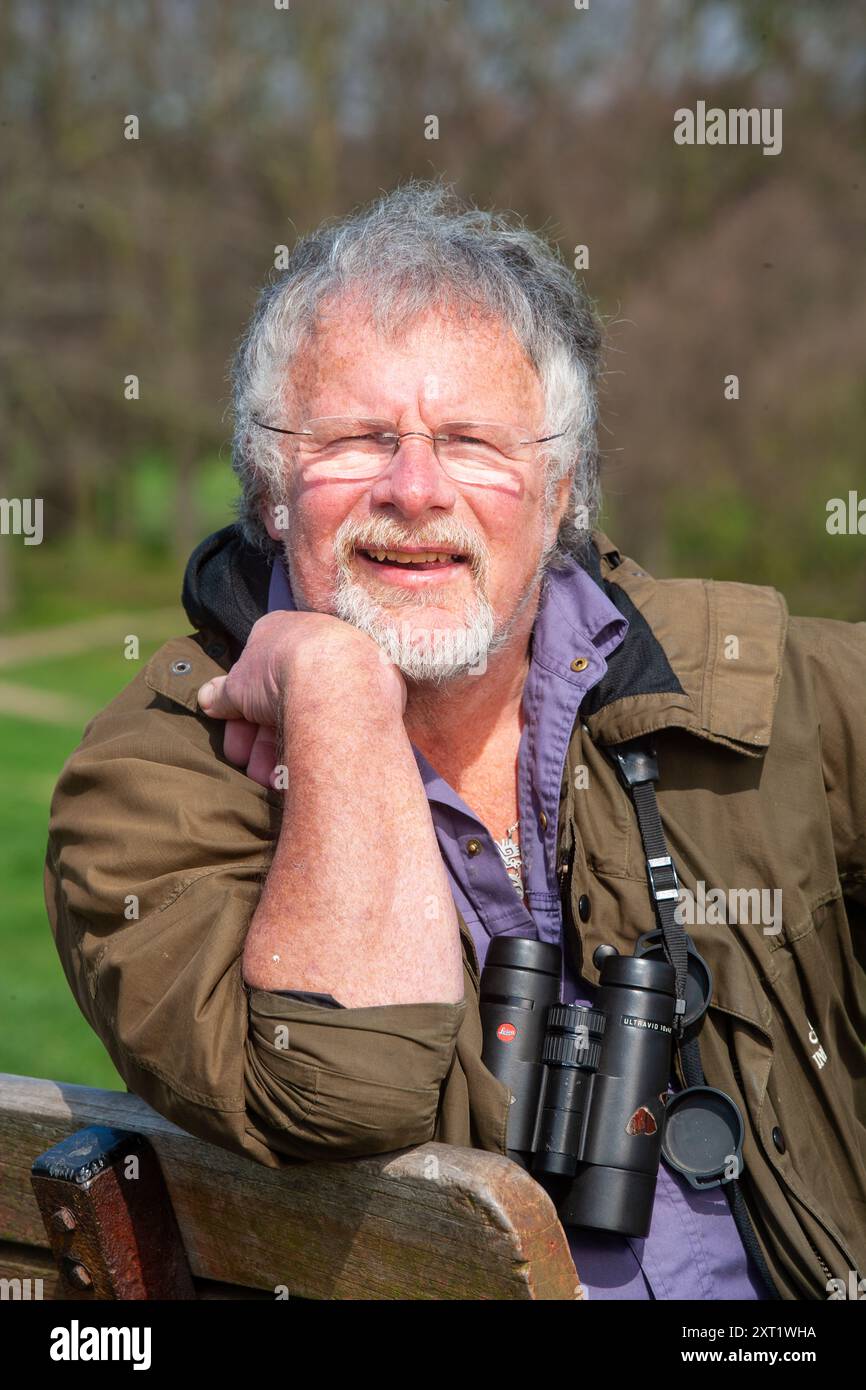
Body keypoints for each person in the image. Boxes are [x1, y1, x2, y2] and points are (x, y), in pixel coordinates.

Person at [45, 181, 866, 1300]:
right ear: (274, 490)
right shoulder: (151, 777)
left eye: (472, 441)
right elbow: (340, 1087)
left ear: (559, 486)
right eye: (355, 438)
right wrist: (338, 697)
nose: (415, 488)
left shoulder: (763, 684)